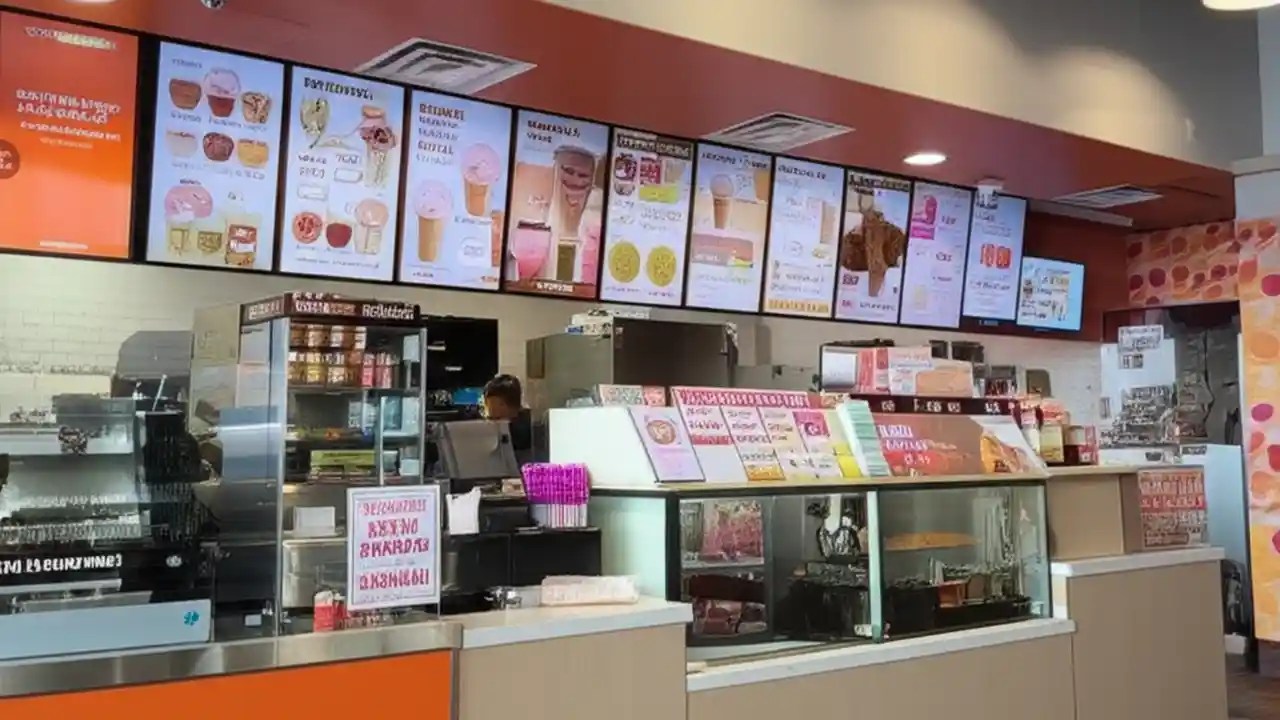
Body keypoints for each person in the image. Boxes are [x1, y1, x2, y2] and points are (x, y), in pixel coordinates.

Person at [482, 374, 533, 462]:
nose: (493, 425)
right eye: (490, 419)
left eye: (498, 419)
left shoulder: (531, 437)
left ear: (515, 410)